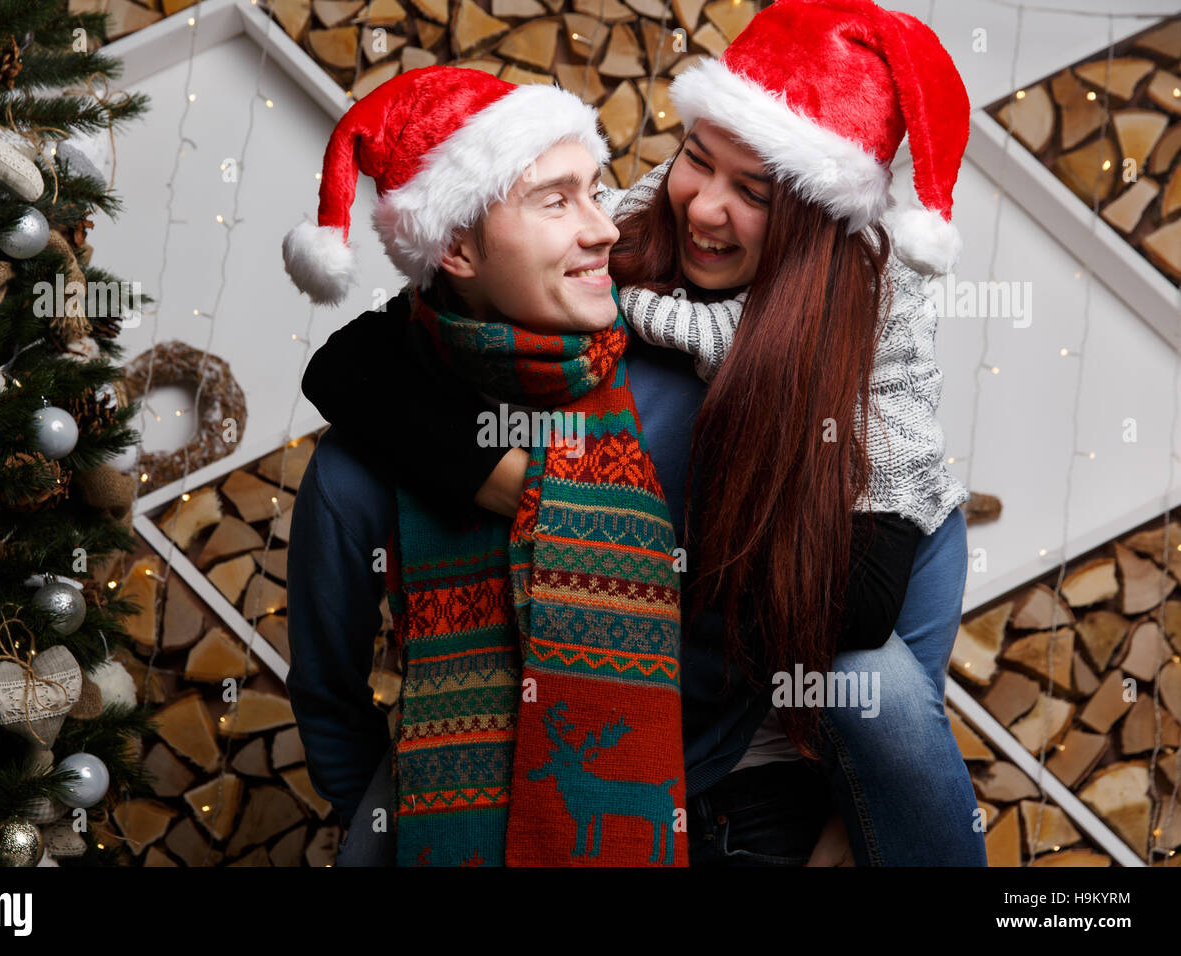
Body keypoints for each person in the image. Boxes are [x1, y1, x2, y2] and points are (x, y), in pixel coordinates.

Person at [298, 0, 987, 866]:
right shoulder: (613, 253)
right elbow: (350, 367)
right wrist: (516, 484)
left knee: (869, 678)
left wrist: (856, 815)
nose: (703, 207)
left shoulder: (867, 320)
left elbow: (908, 557)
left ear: (815, 222)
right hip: (501, 746)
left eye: (755, 194)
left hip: (740, 753)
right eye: (696, 162)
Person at [283, 64, 690, 866]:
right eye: (553, 200)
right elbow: (327, 693)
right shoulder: (356, 469)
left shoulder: (676, 401)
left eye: (594, 191)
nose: (603, 228)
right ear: (457, 248)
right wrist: (384, 825)